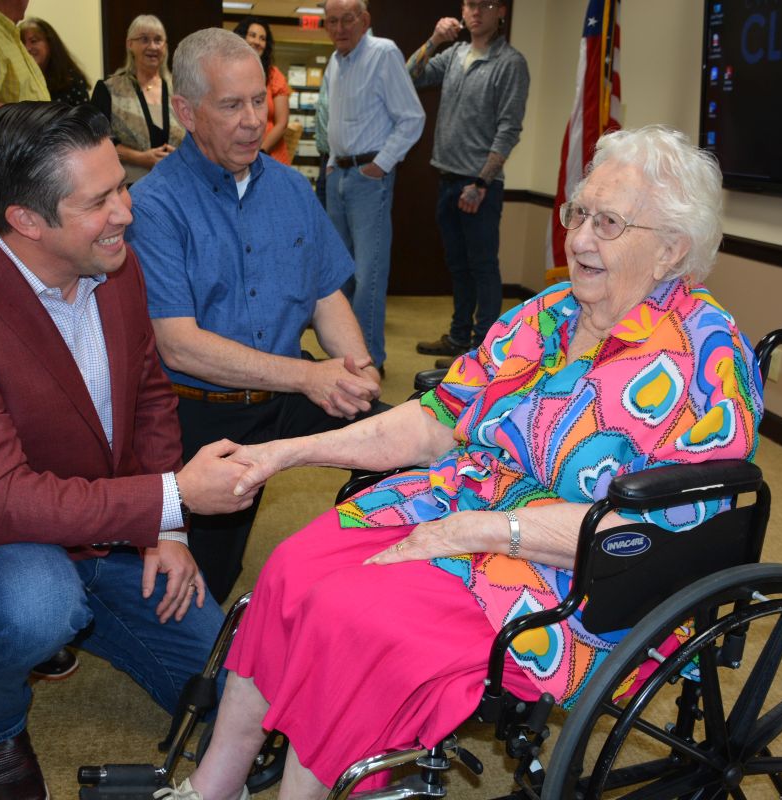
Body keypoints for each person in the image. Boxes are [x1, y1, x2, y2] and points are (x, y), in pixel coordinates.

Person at [157, 125, 765, 800]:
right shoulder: (548, 314)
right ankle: (217, 785)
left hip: (570, 571)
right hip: (463, 500)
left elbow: (656, 526)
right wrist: (286, 453)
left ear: (670, 250)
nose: (582, 238)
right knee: (293, 568)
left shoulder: (705, 354)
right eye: (580, 213)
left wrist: (474, 532)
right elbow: (434, 422)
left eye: (611, 222)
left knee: (357, 624)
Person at [0, 102, 257, 800]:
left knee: (237, 689)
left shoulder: (115, 263)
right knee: (33, 604)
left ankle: (73, 620)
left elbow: (148, 395)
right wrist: (172, 498)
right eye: (100, 200)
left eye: (122, 186)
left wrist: (166, 531)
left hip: (106, 527)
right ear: (26, 220)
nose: (127, 212)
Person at [125, 28, 383, 604]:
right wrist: (311, 376)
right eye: (231, 105)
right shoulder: (155, 205)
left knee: (403, 447)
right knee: (200, 594)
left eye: (257, 101)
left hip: (284, 398)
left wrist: (355, 369)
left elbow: (324, 296)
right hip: (200, 417)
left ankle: (364, 595)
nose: (252, 121)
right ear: (187, 112)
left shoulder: (291, 188)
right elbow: (180, 346)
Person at [408, 0, 530, 368]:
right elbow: (408, 76)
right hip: (446, 178)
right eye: (470, 4)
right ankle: (459, 337)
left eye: (487, 4)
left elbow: (509, 128)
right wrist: (433, 41)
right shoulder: (455, 54)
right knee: (457, 266)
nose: (476, 11)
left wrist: (481, 182)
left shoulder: (511, 63)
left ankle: (484, 350)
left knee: (483, 267)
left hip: (479, 185)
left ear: (501, 13)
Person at [321, 0, 425, 375]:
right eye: (331, 21)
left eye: (347, 19)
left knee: (368, 275)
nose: (339, 28)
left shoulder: (383, 54)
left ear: (364, 20)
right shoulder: (335, 62)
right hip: (339, 176)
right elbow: (337, 120)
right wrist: (333, 162)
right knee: (339, 274)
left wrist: (379, 166)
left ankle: (369, 362)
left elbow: (412, 118)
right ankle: (345, 356)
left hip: (368, 179)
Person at [91, 15, 185, 185]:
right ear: (130, 45)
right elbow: (96, 141)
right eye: (144, 39)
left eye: (158, 40)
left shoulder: (181, 90)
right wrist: (141, 158)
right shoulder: (109, 89)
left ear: (166, 46)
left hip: (176, 186)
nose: (152, 46)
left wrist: (182, 153)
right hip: (128, 189)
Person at [231, 16, 291, 165]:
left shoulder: (273, 75)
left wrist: (260, 151)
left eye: (262, 38)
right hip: (235, 155)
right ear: (241, 38)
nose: (257, 42)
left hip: (269, 155)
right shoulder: (228, 73)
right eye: (252, 35)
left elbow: (282, 123)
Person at [18, 16, 89, 106]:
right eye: (22, 43)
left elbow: (85, 117)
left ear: (50, 43)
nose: (27, 48)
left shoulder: (71, 79)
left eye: (34, 41)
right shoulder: (15, 79)